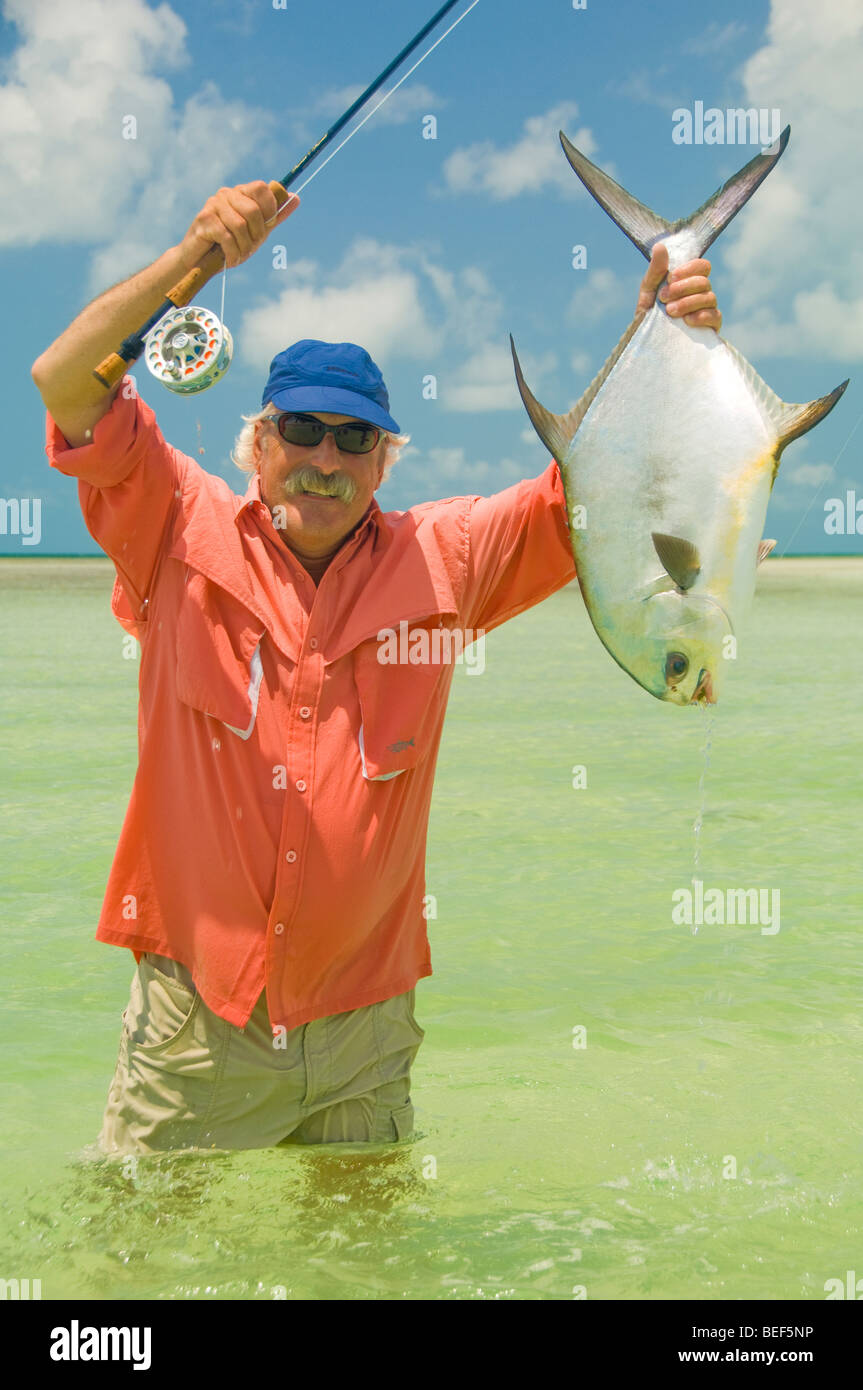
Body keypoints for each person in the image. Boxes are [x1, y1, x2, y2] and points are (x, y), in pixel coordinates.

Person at [30, 182, 722, 1155]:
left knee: (367, 1270)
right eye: (302, 431)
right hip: (195, 1028)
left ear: (384, 459)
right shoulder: (171, 530)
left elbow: (591, 482)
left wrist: (657, 326)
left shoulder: (446, 558)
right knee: (141, 1272)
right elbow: (64, 381)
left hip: (365, 1029)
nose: (325, 457)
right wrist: (194, 258)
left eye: (354, 438)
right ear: (259, 442)